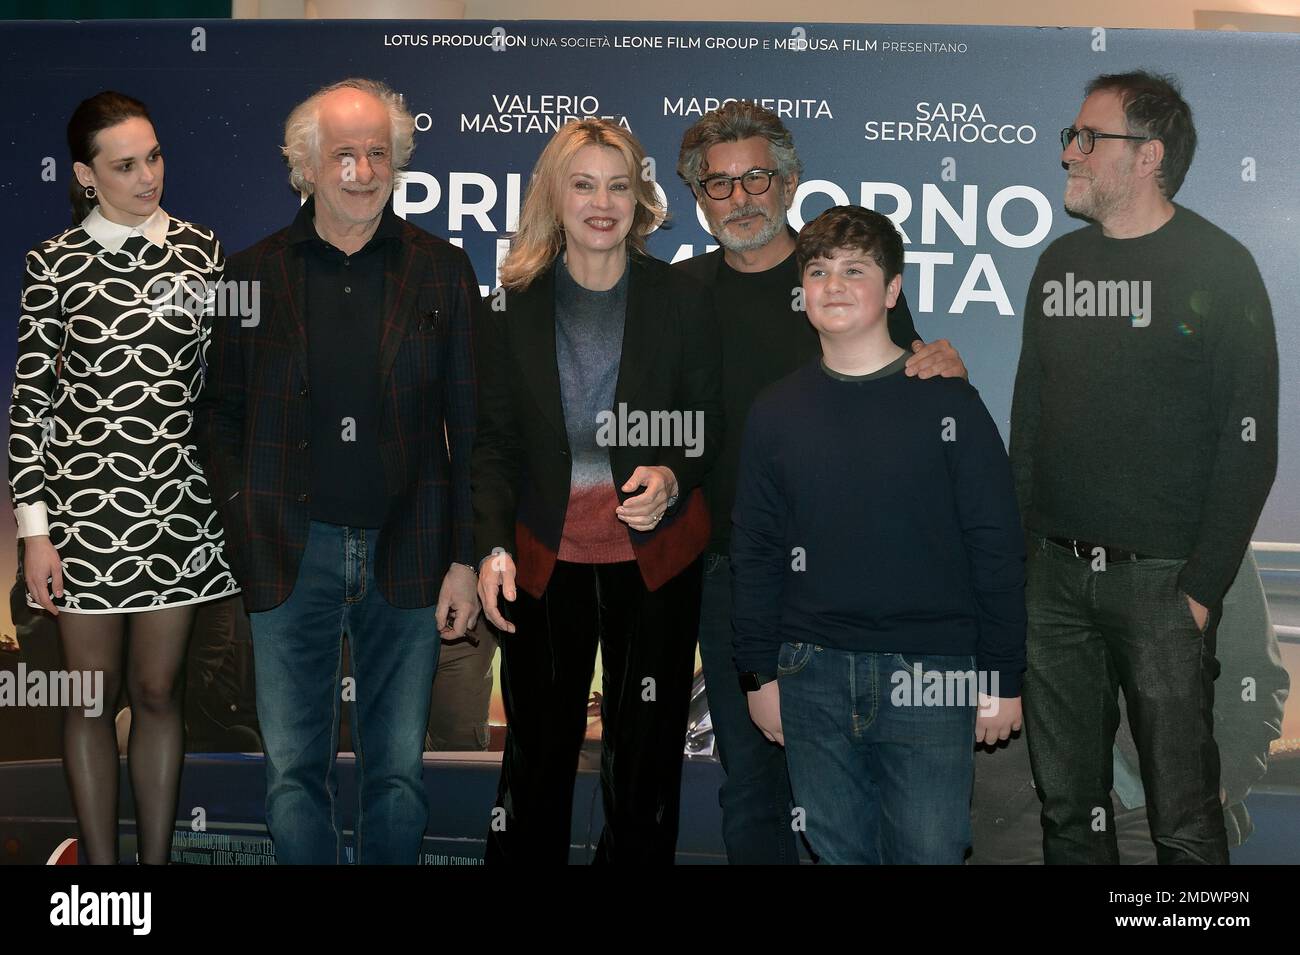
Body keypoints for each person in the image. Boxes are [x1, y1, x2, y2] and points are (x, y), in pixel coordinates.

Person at [192, 77, 481, 864]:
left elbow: (473, 427)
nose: (362, 170)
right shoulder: (250, 274)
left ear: (398, 162)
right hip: (288, 552)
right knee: (291, 776)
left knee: (398, 777)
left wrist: (463, 556)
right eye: (343, 154)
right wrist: (242, 511)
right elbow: (215, 412)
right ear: (306, 167)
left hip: (413, 553)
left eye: (377, 153)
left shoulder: (444, 271)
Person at [673, 101, 967, 864]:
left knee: (850, 787)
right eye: (719, 185)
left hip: (852, 578)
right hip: (734, 576)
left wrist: (944, 369)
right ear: (697, 199)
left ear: (790, 179)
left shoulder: (840, 281)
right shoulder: (677, 295)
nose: (740, 199)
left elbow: (912, 394)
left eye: (756, 178)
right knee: (752, 781)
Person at [1010, 71, 1279, 864]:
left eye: (1088, 138)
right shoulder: (1058, 267)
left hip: (1164, 585)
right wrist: (1023, 566)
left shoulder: (1221, 268)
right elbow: (1027, 429)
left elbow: (1251, 442)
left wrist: (1200, 589)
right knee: (1067, 814)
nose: (1069, 153)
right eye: (1071, 136)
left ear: (1148, 155)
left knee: (1185, 822)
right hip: (1053, 583)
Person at [731, 205, 1025, 864]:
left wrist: (1002, 676)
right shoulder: (776, 411)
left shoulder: (951, 403)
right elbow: (755, 551)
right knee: (835, 853)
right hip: (809, 673)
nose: (833, 284)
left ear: (892, 291)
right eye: (819, 270)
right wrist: (759, 675)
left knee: (931, 850)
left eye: (855, 269)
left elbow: (996, 544)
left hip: (932, 671)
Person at [474, 117, 722, 864]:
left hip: (655, 560)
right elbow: (491, 443)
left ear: (640, 197)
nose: (602, 202)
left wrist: (674, 473)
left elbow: (707, 418)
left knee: (644, 770)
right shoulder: (511, 304)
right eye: (583, 184)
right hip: (543, 559)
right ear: (555, 194)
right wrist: (489, 545)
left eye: (619, 185)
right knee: (537, 763)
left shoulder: (680, 300)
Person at [7, 91, 239, 863]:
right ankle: (106, 880)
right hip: (82, 520)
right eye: (126, 165)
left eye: (156, 156)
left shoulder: (203, 252)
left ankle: (155, 870)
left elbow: (218, 396)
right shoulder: (54, 263)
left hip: (177, 516)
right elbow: (29, 407)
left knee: (158, 695)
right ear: (84, 174)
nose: (149, 177)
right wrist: (34, 534)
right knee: (89, 700)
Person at [970, 549, 1290, 863]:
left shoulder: (1200, 524)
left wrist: (1216, 785)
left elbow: (1256, 679)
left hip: (1159, 810)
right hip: (1019, 812)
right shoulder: (990, 517)